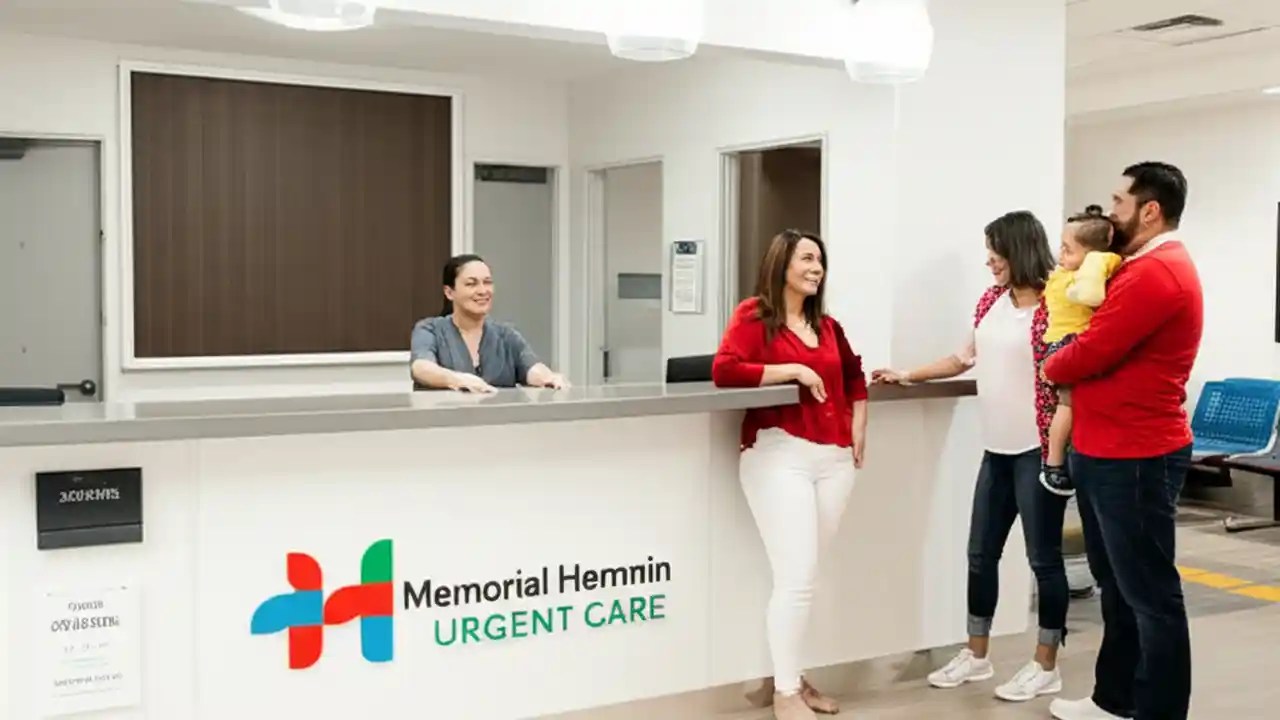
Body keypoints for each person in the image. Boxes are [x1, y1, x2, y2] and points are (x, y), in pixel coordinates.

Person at [873, 210, 1070, 703]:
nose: (989, 261)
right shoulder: (990, 302)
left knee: (1044, 561)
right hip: (996, 451)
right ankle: (976, 655)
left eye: (995, 251)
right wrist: (907, 374)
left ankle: (1046, 664)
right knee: (980, 555)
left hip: (1037, 451)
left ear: (1019, 248)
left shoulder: (1056, 304)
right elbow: (962, 359)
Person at [1045, 162, 1202, 720]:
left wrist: (1052, 364)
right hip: (1106, 447)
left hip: (1136, 454)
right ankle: (1114, 701)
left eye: (1119, 201)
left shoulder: (1157, 273)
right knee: (1117, 587)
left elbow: (1090, 350)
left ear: (1149, 210)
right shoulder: (1135, 268)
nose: (1110, 213)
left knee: (1150, 596)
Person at [712, 229, 869, 720]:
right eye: (806, 258)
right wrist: (792, 371)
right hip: (780, 454)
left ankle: (793, 678)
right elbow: (725, 370)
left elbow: (855, 376)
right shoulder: (754, 317)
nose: (816, 268)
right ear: (782, 264)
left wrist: (858, 426)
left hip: (835, 461)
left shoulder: (828, 326)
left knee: (804, 578)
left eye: (820, 260)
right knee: (797, 579)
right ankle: (784, 692)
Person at [1039, 206, 1123, 497]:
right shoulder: (1095, 265)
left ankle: (1060, 458)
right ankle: (1054, 463)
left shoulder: (1060, 276)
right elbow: (1092, 295)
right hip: (1069, 343)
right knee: (1068, 405)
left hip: (1056, 344)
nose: (1061, 256)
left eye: (1068, 250)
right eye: (1062, 248)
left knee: (1072, 405)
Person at [410, 254, 567, 393]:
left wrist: (549, 378)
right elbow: (421, 368)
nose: (482, 291)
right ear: (449, 292)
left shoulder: (506, 335)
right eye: (471, 284)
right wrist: (459, 380)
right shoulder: (430, 330)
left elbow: (531, 367)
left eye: (487, 282)